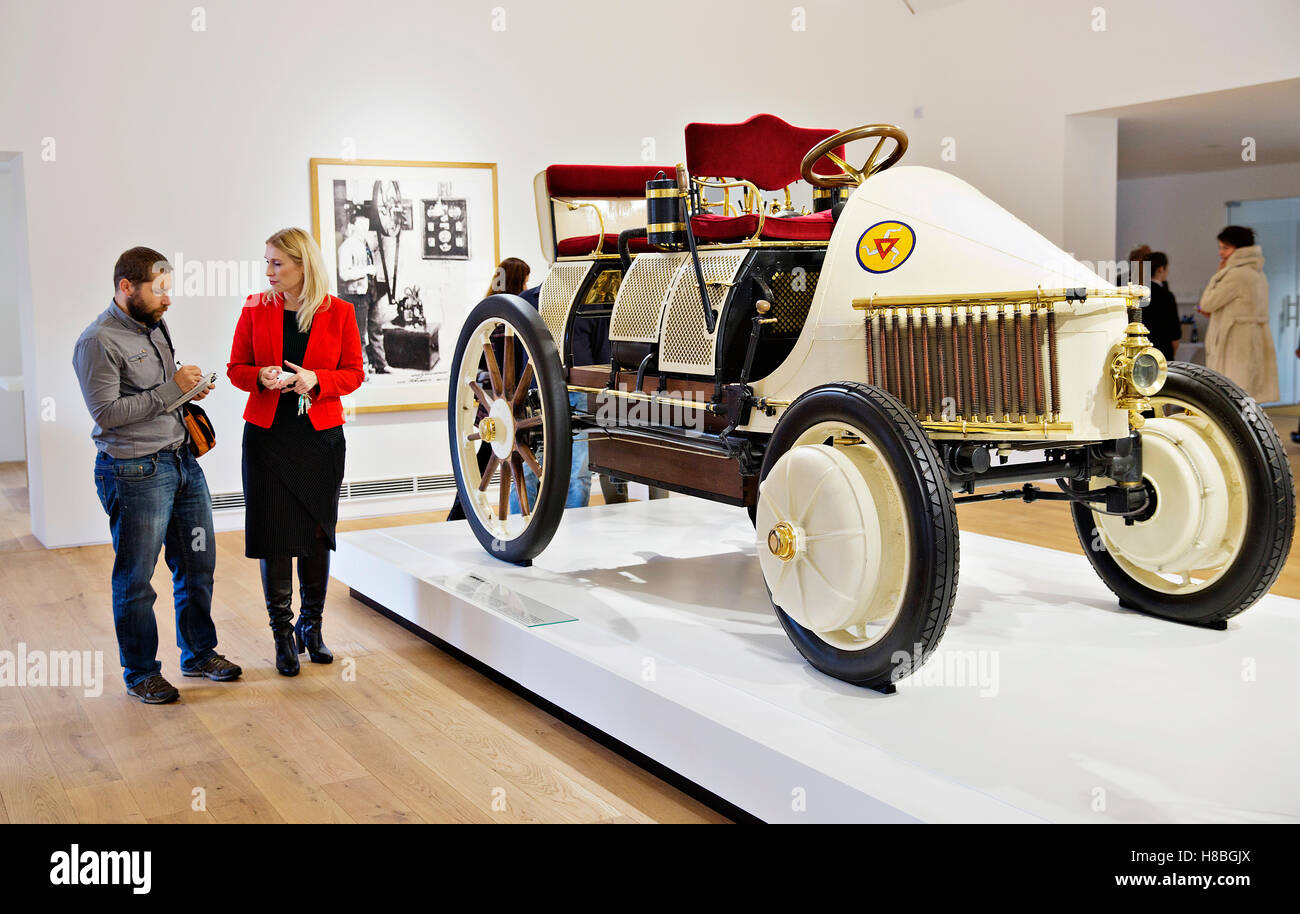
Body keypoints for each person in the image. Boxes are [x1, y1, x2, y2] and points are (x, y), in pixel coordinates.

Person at [73, 247, 241, 703]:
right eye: (159, 289)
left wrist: (189, 391)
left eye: (170, 289)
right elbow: (107, 414)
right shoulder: (97, 342)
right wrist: (172, 389)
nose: (168, 300)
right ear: (126, 287)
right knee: (136, 579)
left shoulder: (155, 325)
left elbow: (160, 396)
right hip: (133, 472)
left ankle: (199, 653)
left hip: (181, 462)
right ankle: (141, 672)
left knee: (197, 563)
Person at [226, 228, 364, 676]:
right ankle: (282, 634)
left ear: (303, 265)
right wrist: (260, 376)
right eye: (266, 261)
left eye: (277, 263)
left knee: (316, 533)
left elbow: (354, 373)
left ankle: (312, 627)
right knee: (274, 534)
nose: (269, 271)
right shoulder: (253, 307)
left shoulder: (339, 311)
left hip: (319, 437)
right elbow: (235, 368)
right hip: (267, 437)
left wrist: (317, 380)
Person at [1198, 225, 1279, 403]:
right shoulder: (1258, 274)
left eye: (1225, 248)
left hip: (1234, 345)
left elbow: (1207, 303)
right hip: (1249, 342)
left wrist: (1218, 275)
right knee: (1246, 398)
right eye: (1220, 248)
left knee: (1229, 397)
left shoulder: (1236, 275)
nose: (1221, 253)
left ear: (1241, 250)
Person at [337, 213, 389, 375]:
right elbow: (343, 274)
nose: (364, 229)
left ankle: (381, 364)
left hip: (370, 292)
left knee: (376, 328)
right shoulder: (347, 246)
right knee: (359, 334)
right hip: (356, 295)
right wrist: (366, 270)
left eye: (366, 225)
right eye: (361, 225)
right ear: (352, 226)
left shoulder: (364, 243)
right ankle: (362, 369)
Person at [1142, 252, 1181, 362]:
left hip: (1140, 350)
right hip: (1162, 351)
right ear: (1161, 269)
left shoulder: (1138, 293)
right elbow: (1175, 332)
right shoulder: (1166, 296)